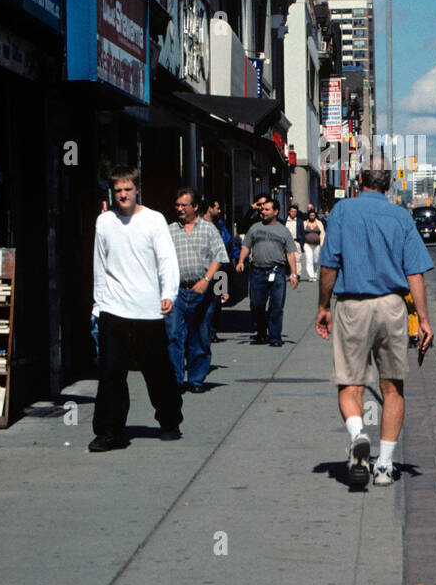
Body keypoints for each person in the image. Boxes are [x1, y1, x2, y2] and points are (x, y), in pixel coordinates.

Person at [315, 168, 434, 490]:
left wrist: (323, 306)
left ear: (360, 183)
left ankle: (358, 436)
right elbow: (416, 273)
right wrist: (423, 320)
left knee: (350, 385)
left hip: (353, 305)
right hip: (393, 306)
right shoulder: (400, 216)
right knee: (393, 387)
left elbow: (329, 264)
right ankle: (384, 465)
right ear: (389, 185)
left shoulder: (342, 210)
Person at [90, 165, 182, 452]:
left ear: (137, 189)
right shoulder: (104, 222)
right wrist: (98, 305)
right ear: (112, 192)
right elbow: (99, 266)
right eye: (118, 190)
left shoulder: (154, 220)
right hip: (113, 309)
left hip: (148, 309)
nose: (123, 195)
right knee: (110, 372)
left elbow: (167, 260)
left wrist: (169, 293)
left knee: (158, 371)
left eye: (128, 189)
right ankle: (109, 430)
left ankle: (169, 420)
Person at [165, 187, 228, 392]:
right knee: (173, 335)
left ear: (195, 206)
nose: (180, 209)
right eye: (177, 205)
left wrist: (209, 281)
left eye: (184, 205)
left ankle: (196, 379)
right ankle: (175, 379)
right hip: (177, 292)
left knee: (200, 335)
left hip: (203, 290)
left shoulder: (209, 229)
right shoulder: (169, 230)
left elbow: (219, 257)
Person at [236, 198, 299, 346]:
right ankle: (261, 332)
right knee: (257, 305)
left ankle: (275, 337)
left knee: (276, 306)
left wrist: (294, 274)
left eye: (266, 209)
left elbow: (290, 253)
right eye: (262, 209)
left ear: (275, 212)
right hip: (257, 271)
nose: (263, 212)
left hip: (277, 272)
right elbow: (246, 246)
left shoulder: (283, 231)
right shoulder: (255, 228)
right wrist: (240, 261)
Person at [303, 207, 326, 282]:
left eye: (313, 215)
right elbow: (302, 233)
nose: (312, 217)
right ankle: (311, 276)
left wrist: (322, 243)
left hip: (317, 244)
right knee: (309, 259)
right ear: (308, 216)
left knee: (316, 260)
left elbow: (322, 233)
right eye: (310, 215)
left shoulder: (319, 223)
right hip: (307, 244)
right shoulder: (305, 223)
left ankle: (315, 274)